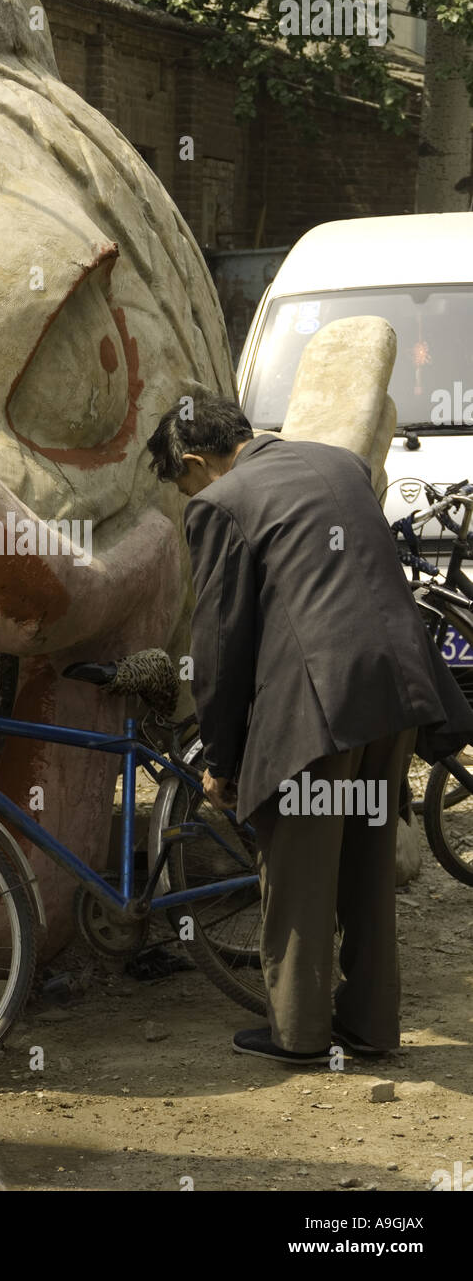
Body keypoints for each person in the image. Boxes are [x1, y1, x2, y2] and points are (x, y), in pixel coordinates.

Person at [147, 390, 473, 1064]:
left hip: (318, 708)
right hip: (395, 699)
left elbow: (220, 642)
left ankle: (298, 1035)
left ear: (196, 460)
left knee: (297, 869)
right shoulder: (341, 465)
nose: (188, 497)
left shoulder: (221, 503)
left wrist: (223, 762)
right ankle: (371, 1027)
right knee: (365, 866)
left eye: (181, 482)